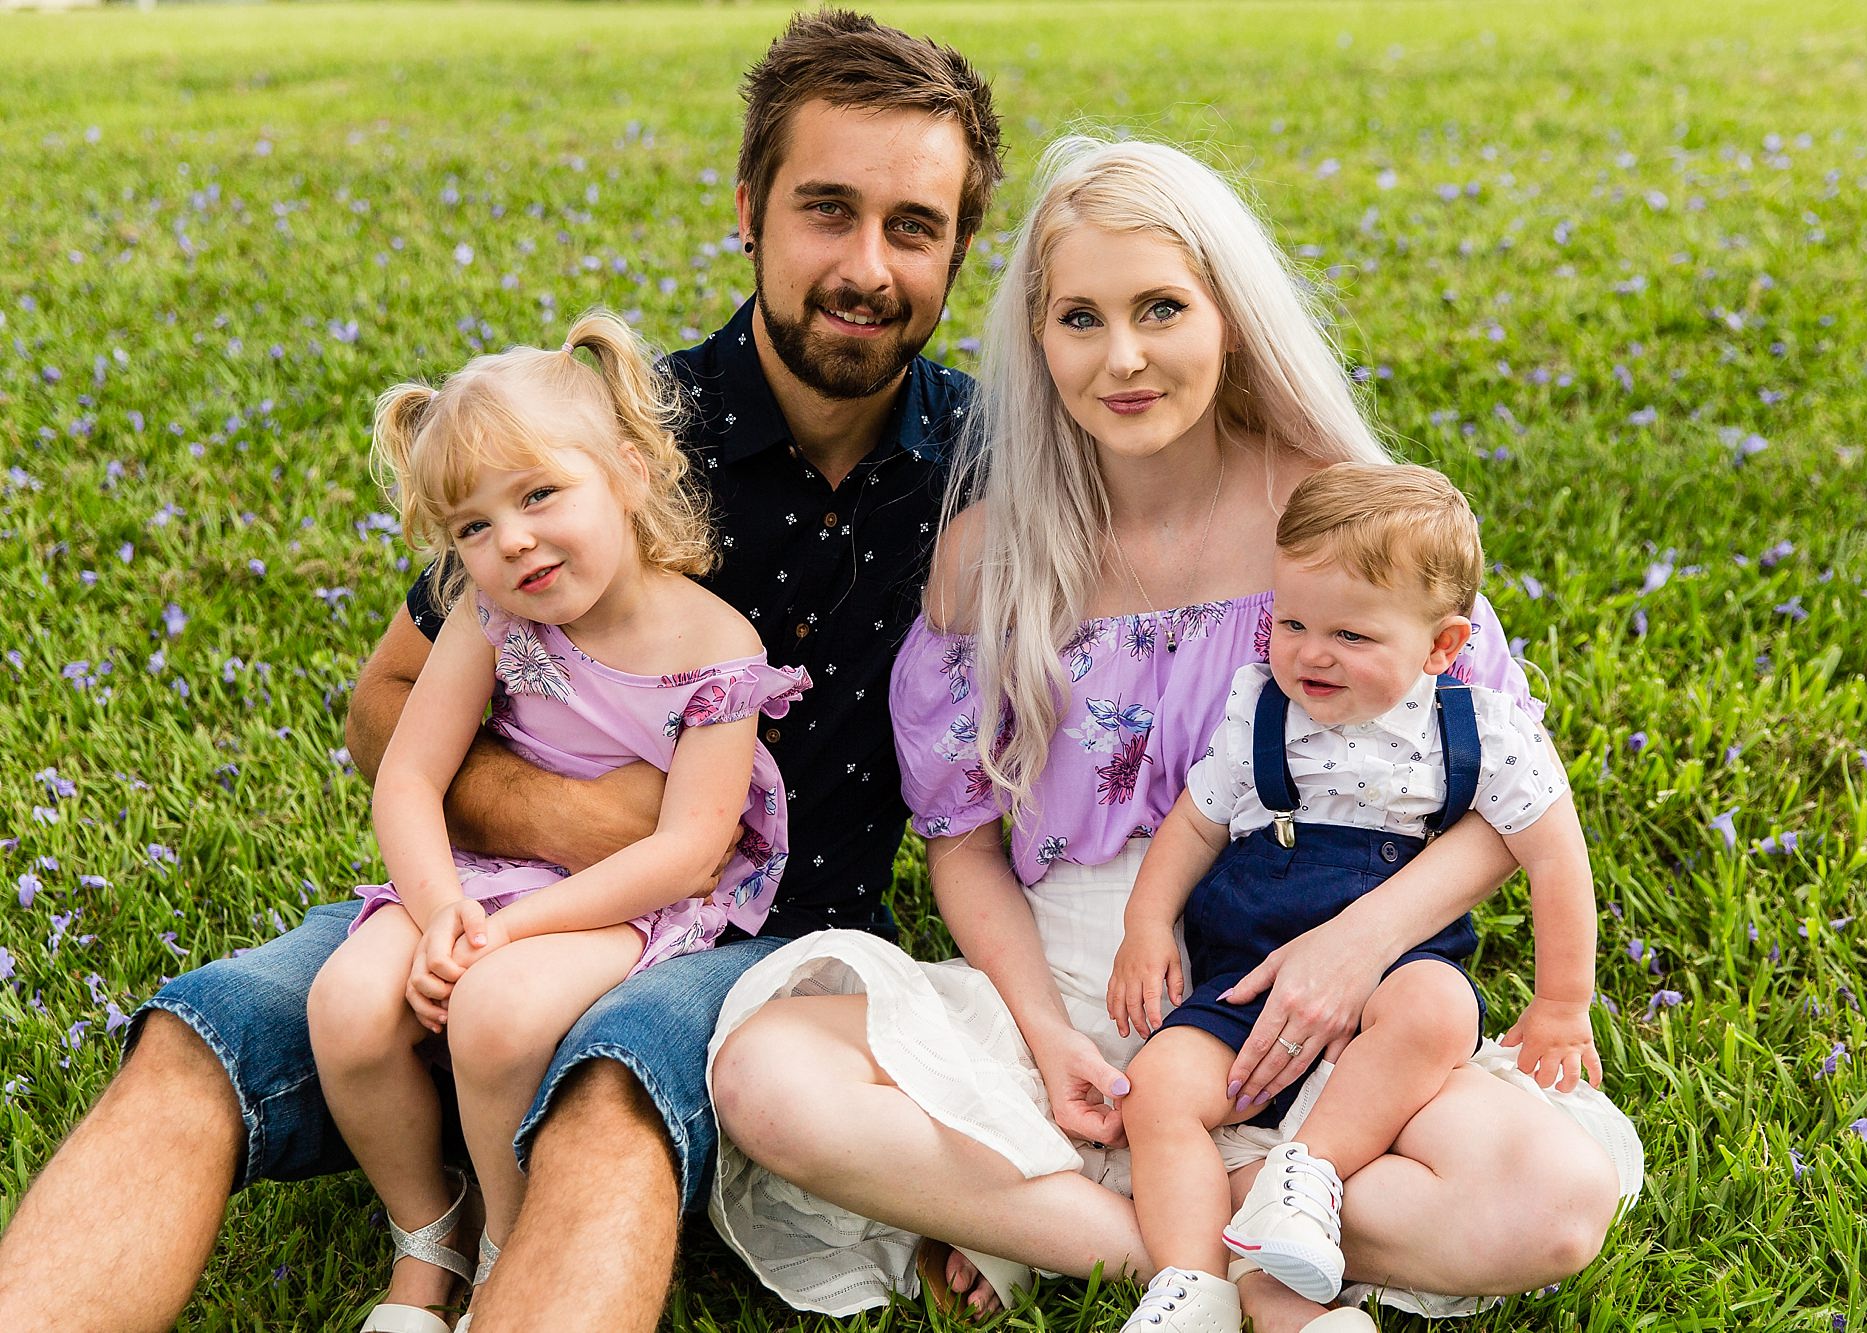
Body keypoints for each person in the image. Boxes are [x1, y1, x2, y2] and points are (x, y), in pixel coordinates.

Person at [0, 12, 1002, 1331]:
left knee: (607, 1099)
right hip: (490, 897)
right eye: (827, 209)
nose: (865, 266)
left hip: (768, 944)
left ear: (959, 249)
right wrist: (559, 835)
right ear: (751, 210)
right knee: (206, 1040)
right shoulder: (616, 433)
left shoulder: (994, 473)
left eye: (914, 226)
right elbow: (385, 706)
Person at [707, 137, 1643, 1331]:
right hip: (1080, 1002)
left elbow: (1501, 798)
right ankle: (1223, 1247)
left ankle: (1109, 1222)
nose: (1124, 357)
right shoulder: (990, 557)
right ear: (1038, 344)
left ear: (1230, 318)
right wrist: (1045, 1041)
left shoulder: (1335, 521)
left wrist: (1354, 947)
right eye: (1079, 319)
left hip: (1320, 1012)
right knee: (770, 1077)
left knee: (1549, 1201)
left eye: (1161, 308)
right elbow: (961, 842)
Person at [310, 308, 807, 1333]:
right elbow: (405, 778)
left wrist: (508, 933)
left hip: (631, 898)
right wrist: (443, 910)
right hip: (483, 878)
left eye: (539, 494)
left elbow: (687, 851)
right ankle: (426, 1235)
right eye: (474, 528)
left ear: (627, 472)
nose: (513, 541)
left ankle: (504, 1239)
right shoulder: (493, 621)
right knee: (349, 1005)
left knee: (492, 1014)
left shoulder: (716, 648)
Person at [1106, 461, 1602, 1328]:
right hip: (1247, 980)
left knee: (1441, 1007)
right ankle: (1193, 1285)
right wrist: (1147, 923)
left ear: (1442, 646)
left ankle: (1309, 1174)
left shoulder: (1478, 730)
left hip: (1393, 976)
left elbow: (1557, 858)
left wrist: (1562, 1002)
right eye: (1291, 621)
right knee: (1156, 1087)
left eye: (1353, 636)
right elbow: (1194, 826)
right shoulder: (1258, 709)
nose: (1311, 652)